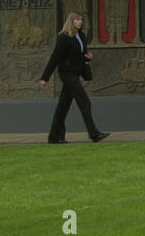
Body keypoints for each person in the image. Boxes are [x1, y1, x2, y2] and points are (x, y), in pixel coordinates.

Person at [39, 11, 110, 144]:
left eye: (81, 19)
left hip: (75, 73)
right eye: (77, 19)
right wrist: (45, 78)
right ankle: (94, 134)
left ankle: (54, 137)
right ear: (71, 21)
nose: (80, 22)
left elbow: (78, 54)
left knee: (63, 106)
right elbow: (55, 58)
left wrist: (87, 56)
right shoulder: (63, 37)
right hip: (67, 74)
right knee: (84, 101)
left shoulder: (81, 35)